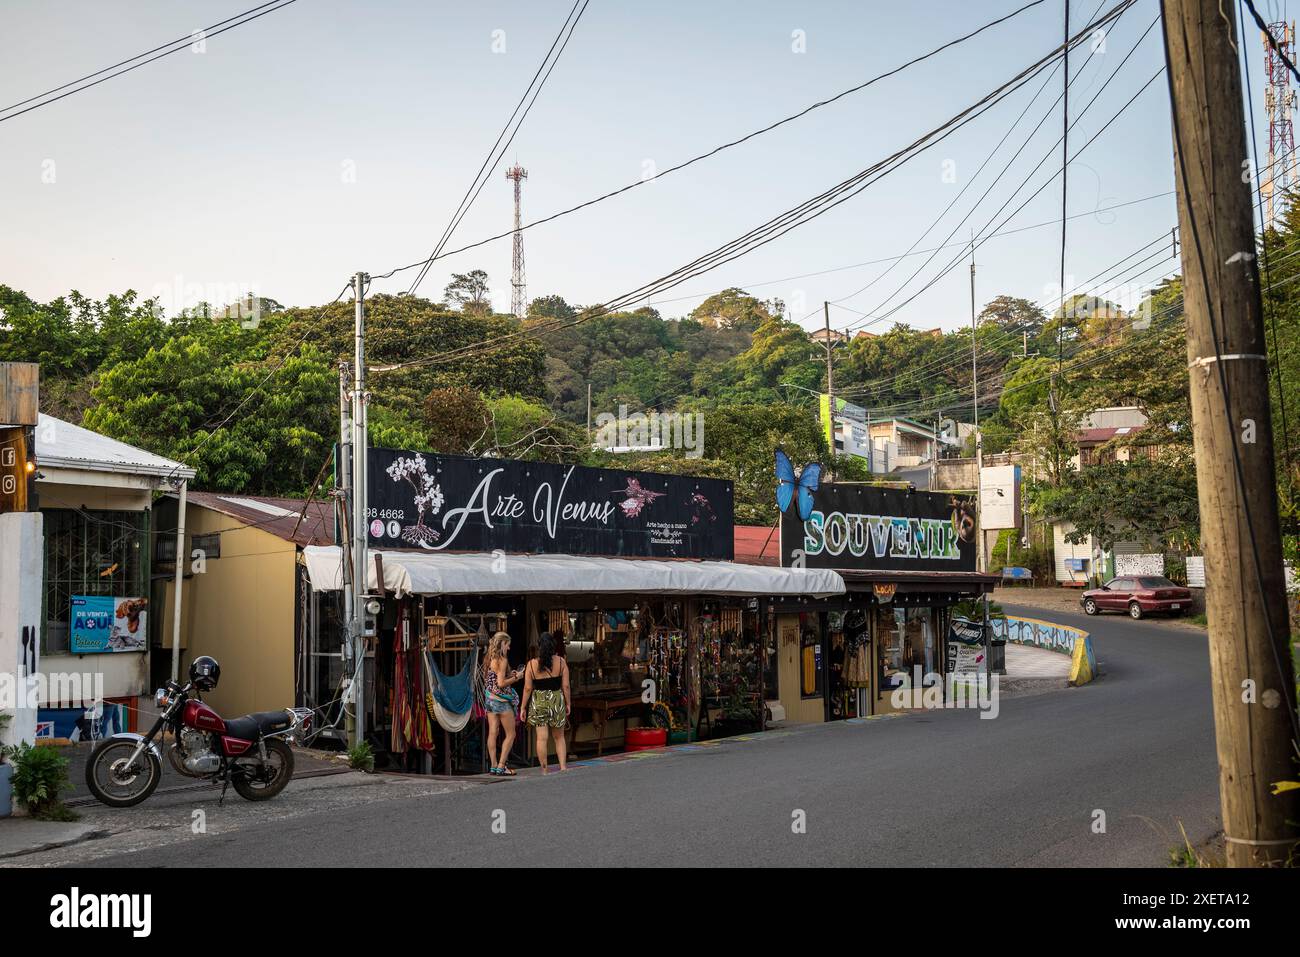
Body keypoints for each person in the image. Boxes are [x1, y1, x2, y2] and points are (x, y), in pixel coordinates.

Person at [520, 631, 570, 772]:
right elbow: (566, 686)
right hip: (556, 700)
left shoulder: (531, 664)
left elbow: (527, 688)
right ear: (553, 645)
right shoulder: (561, 662)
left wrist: (523, 707)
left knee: (541, 738)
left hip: (539, 701)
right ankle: (563, 767)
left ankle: (544, 770)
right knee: (559, 737)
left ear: (539, 646)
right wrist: (568, 703)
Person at [483, 632, 522, 776]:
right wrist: (517, 677)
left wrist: (509, 675)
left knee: (493, 732)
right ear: (502, 644)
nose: (509, 648)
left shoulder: (488, 658)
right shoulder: (502, 659)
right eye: (507, 645)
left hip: (490, 700)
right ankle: (501, 766)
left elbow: (494, 679)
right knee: (511, 734)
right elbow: (500, 683)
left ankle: (493, 766)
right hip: (501, 701)